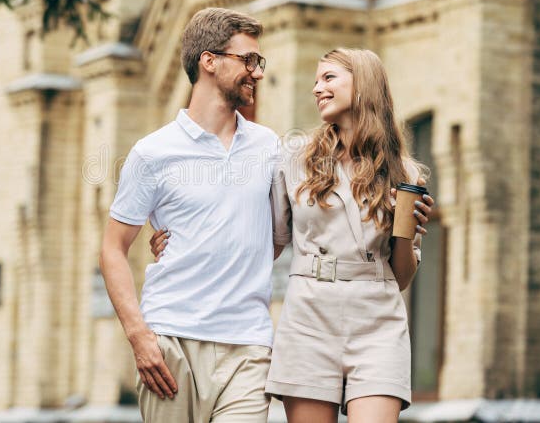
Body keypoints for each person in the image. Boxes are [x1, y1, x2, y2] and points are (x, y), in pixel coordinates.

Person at [150, 48, 434, 423]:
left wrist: (405, 226)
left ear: (364, 84)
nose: (317, 88)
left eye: (329, 78)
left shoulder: (406, 174)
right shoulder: (295, 159)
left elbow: (400, 276)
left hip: (378, 320)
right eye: (316, 81)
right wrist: (181, 246)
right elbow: (259, 239)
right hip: (309, 318)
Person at [99, 7, 279, 423]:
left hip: (247, 347)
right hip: (170, 345)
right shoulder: (152, 153)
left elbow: (288, 228)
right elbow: (112, 249)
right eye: (247, 60)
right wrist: (139, 336)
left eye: (259, 61)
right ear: (209, 61)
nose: (257, 72)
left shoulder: (269, 148)